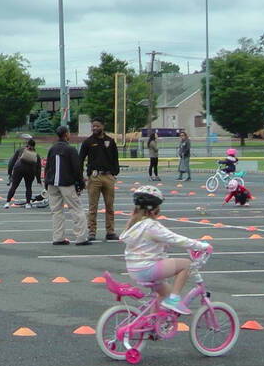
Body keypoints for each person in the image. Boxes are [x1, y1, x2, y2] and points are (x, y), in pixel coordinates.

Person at [120, 185, 211, 315]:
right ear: (154, 210)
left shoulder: (134, 225)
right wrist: (201, 246)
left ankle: (153, 323)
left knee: (164, 293)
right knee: (186, 265)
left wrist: (161, 244)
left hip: (135, 269)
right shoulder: (151, 226)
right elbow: (175, 238)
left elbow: (146, 243)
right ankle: (174, 300)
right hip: (148, 268)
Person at [45, 126, 89, 246]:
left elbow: (48, 166)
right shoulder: (70, 149)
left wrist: (46, 183)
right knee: (76, 209)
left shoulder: (52, 149)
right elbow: (76, 168)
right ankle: (81, 237)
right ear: (66, 134)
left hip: (52, 183)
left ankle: (58, 237)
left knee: (56, 212)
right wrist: (80, 183)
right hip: (66, 183)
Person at [79, 120, 121, 241]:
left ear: (103, 126)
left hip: (108, 176)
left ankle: (110, 231)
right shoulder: (88, 142)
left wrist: (114, 173)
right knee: (93, 207)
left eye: (97, 126)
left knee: (110, 206)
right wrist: (81, 175)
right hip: (94, 177)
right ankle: (92, 231)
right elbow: (80, 159)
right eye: (93, 126)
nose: (95, 128)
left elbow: (115, 158)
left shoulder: (110, 141)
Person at [4, 139, 42, 208]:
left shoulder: (20, 150)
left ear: (27, 144)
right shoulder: (36, 155)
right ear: (34, 146)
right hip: (30, 171)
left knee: (14, 186)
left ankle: (7, 203)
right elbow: (38, 168)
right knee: (28, 187)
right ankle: (28, 204)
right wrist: (38, 180)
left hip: (18, 169)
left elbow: (12, 162)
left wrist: (10, 173)